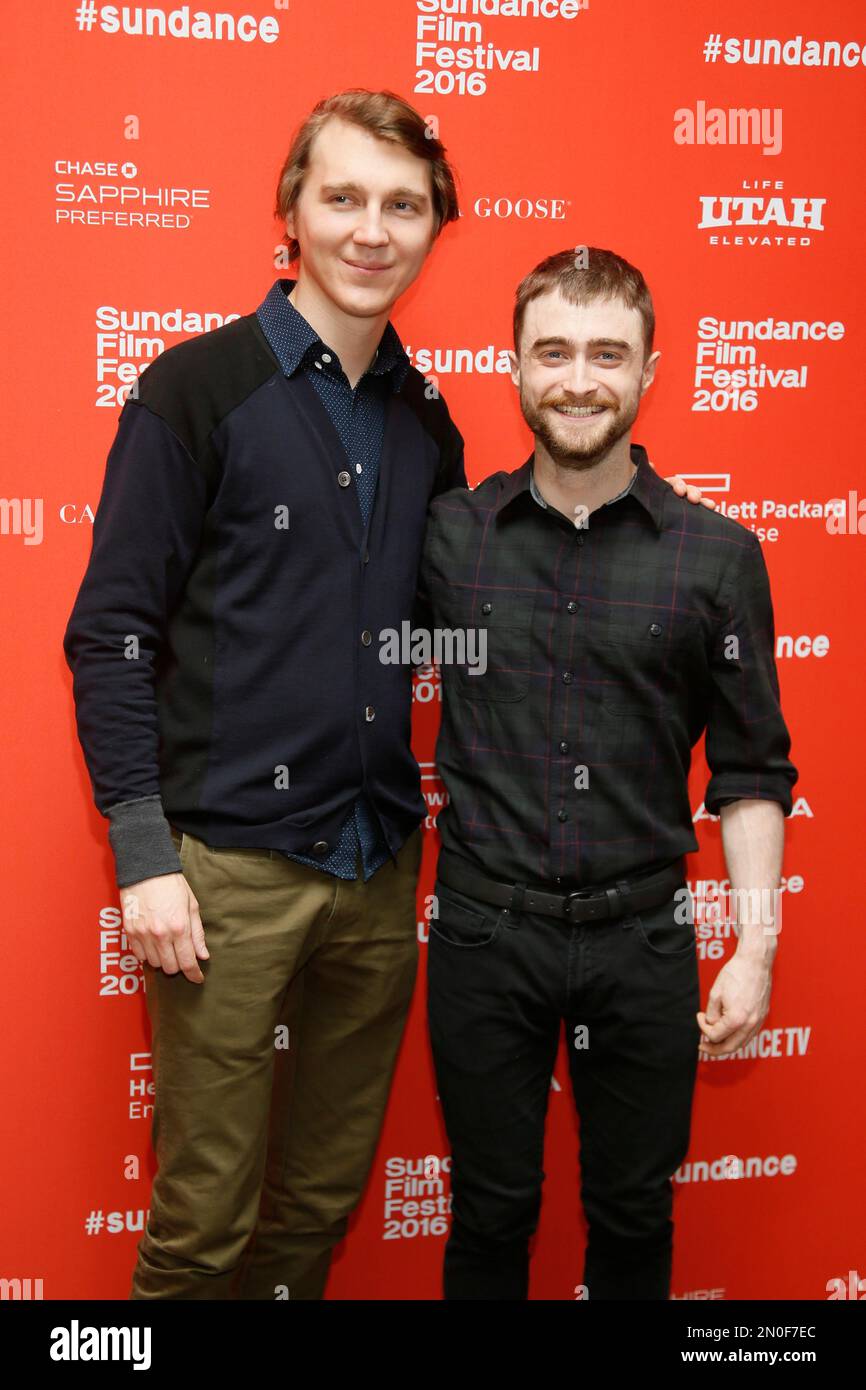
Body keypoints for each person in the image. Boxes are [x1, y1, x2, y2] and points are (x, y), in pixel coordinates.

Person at [64, 88, 713, 1302]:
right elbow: (111, 634)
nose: (371, 230)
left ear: (434, 228)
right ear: (291, 212)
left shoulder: (423, 424)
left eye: (402, 206)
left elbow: (439, 634)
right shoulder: (194, 389)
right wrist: (144, 855)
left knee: (316, 1205)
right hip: (225, 879)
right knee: (202, 1228)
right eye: (344, 198)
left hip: (375, 876)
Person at [418, 246, 798, 1300]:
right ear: (514, 367)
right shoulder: (450, 538)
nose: (577, 380)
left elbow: (751, 770)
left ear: (647, 373)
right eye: (552, 352)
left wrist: (755, 945)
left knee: (633, 1217)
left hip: (642, 940)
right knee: (489, 1212)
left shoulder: (716, 557)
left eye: (605, 354)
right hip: (484, 933)